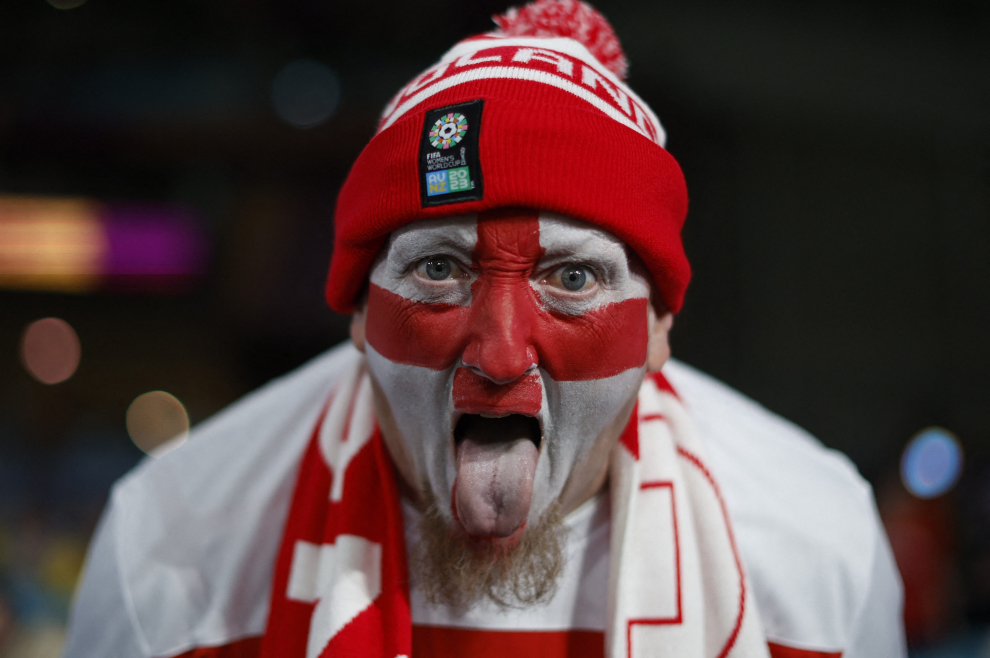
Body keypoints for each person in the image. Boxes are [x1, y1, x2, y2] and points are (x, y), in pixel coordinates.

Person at [62, 2, 906, 657]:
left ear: (656, 330)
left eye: (573, 278)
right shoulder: (169, 548)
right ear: (358, 311)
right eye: (438, 269)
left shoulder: (815, 547)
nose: (501, 354)